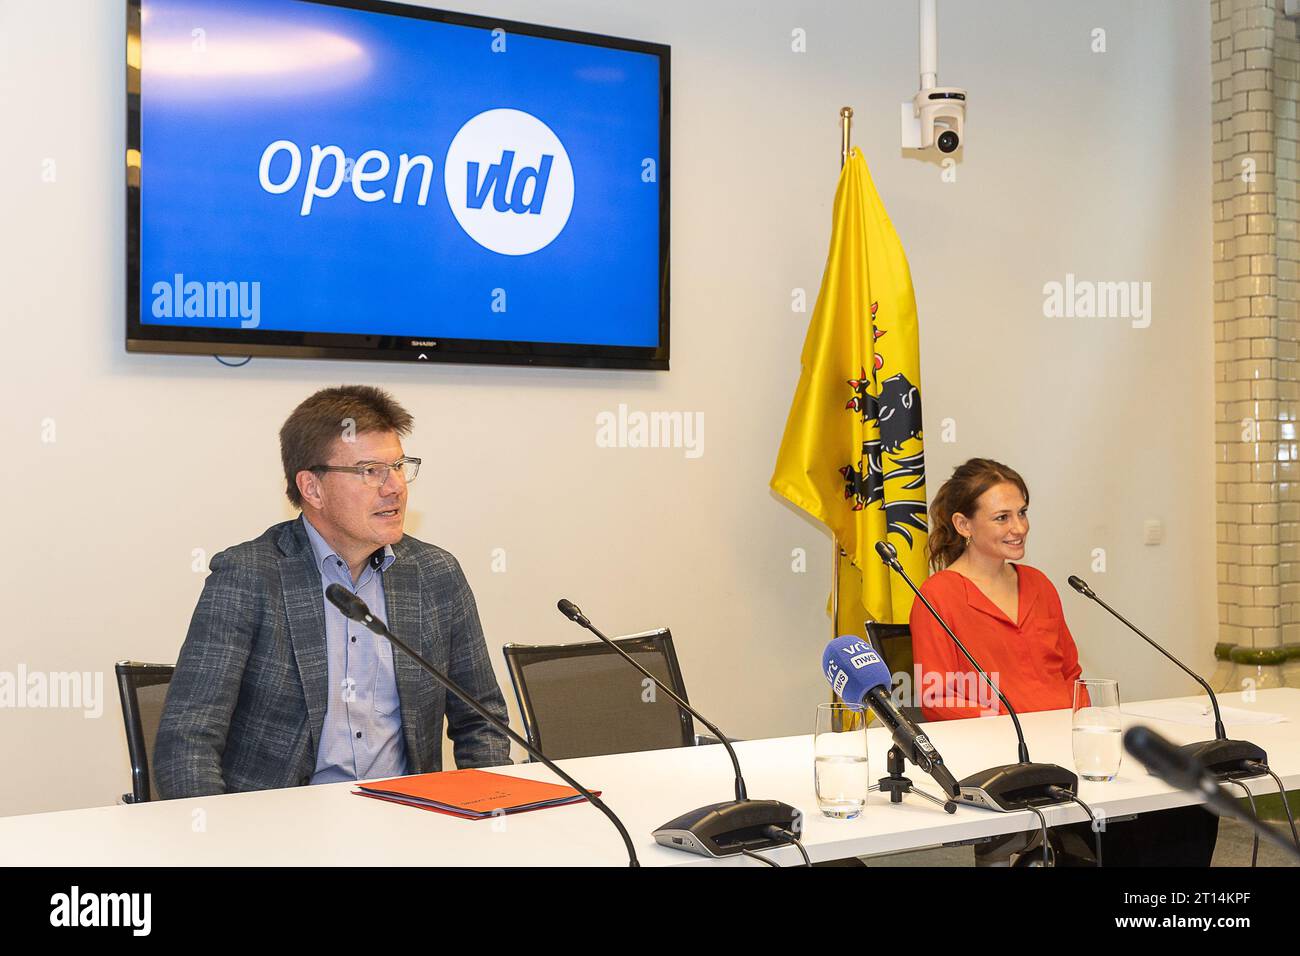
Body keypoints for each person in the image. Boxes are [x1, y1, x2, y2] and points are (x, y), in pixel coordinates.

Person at [154, 385, 511, 798]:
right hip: (279, 829)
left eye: (398, 466)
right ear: (312, 488)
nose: (394, 486)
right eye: (369, 471)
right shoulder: (249, 576)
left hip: (408, 822)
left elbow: (483, 722)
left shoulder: (435, 574)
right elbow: (187, 740)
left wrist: (489, 815)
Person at [909, 458, 1217, 866]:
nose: (1019, 527)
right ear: (964, 525)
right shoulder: (938, 595)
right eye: (1002, 517)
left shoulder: (1038, 584)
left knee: (1190, 806)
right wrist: (1026, 731)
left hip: (1073, 749)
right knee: (1136, 832)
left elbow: (1071, 675)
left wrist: (1088, 731)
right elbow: (938, 698)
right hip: (1009, 762)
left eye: (1022, 512)